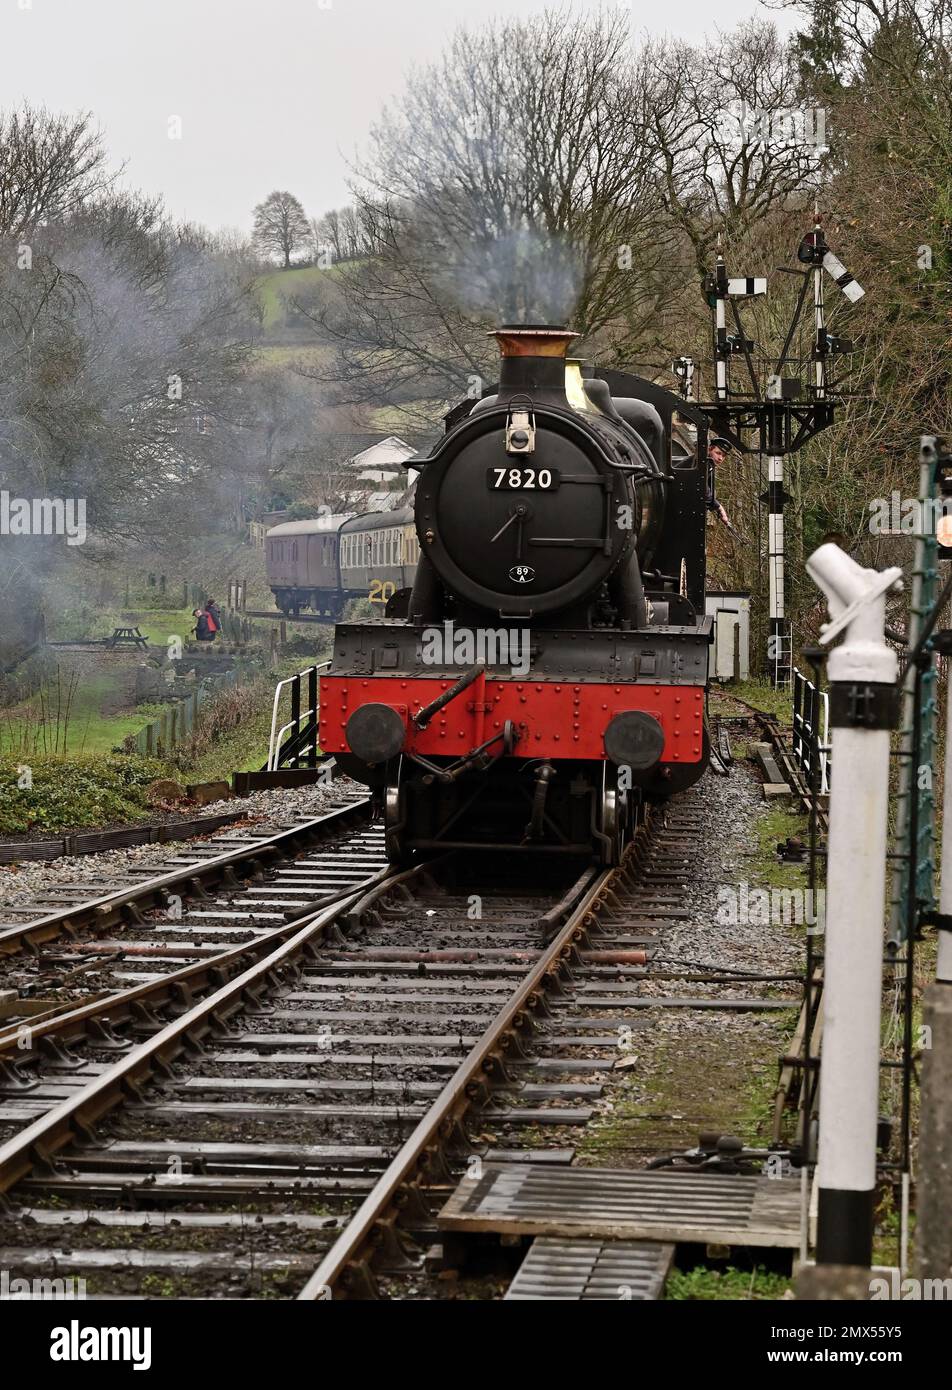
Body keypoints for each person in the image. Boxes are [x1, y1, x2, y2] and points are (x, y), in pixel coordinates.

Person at [706, 435, 733, 528]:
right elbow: (703, 489)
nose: (720, 458)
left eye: (724, 456)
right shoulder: (705, 465)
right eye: (718, 453)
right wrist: (719, 507)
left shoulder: (710, 467)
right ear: (709, 449)